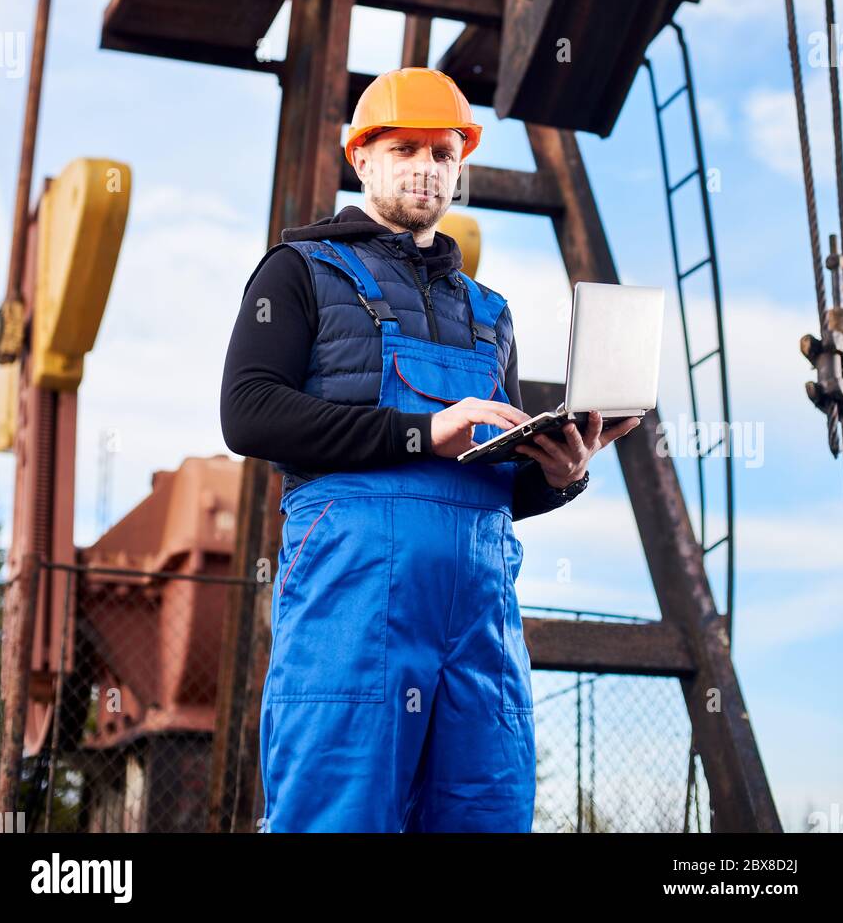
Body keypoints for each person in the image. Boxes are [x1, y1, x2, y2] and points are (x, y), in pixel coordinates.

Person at [220, 66, 640, 833]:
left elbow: (490, 481)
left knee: (487, 810)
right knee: (338, 812)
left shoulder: (490, 312)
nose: (425, 167)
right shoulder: (299, 271)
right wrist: (418, 432)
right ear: (362, 158)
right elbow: (247, 415)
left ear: (459, 166)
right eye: (404, 147)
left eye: (443, 153)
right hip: (353, 600)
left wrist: (560, 475)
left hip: (479, 613)